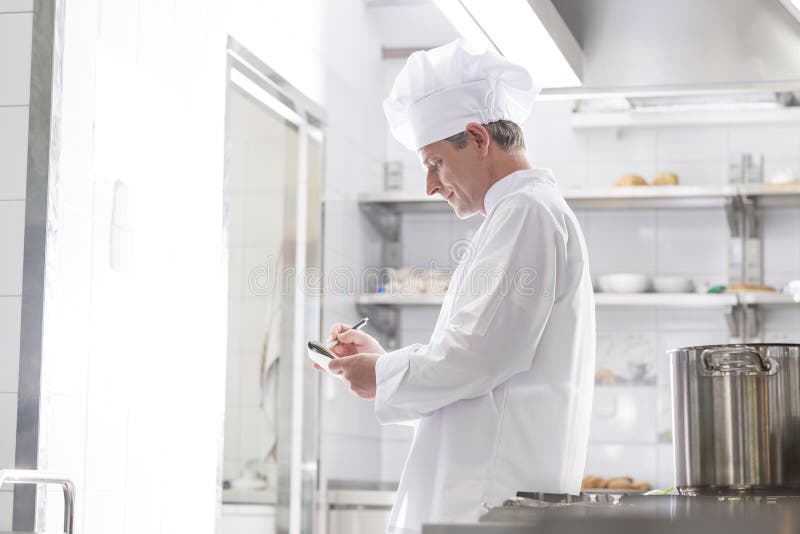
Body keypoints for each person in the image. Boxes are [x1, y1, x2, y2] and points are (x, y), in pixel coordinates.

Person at [321, 39, 596, 534]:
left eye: (435, 163)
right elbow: (479, 375)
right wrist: (382, 365)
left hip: (491, 505)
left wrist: (383, 374)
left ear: (477, 137)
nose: (430, 185)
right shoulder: (517, 215)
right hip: (489, 501)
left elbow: (479, 357)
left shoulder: (527, 213)